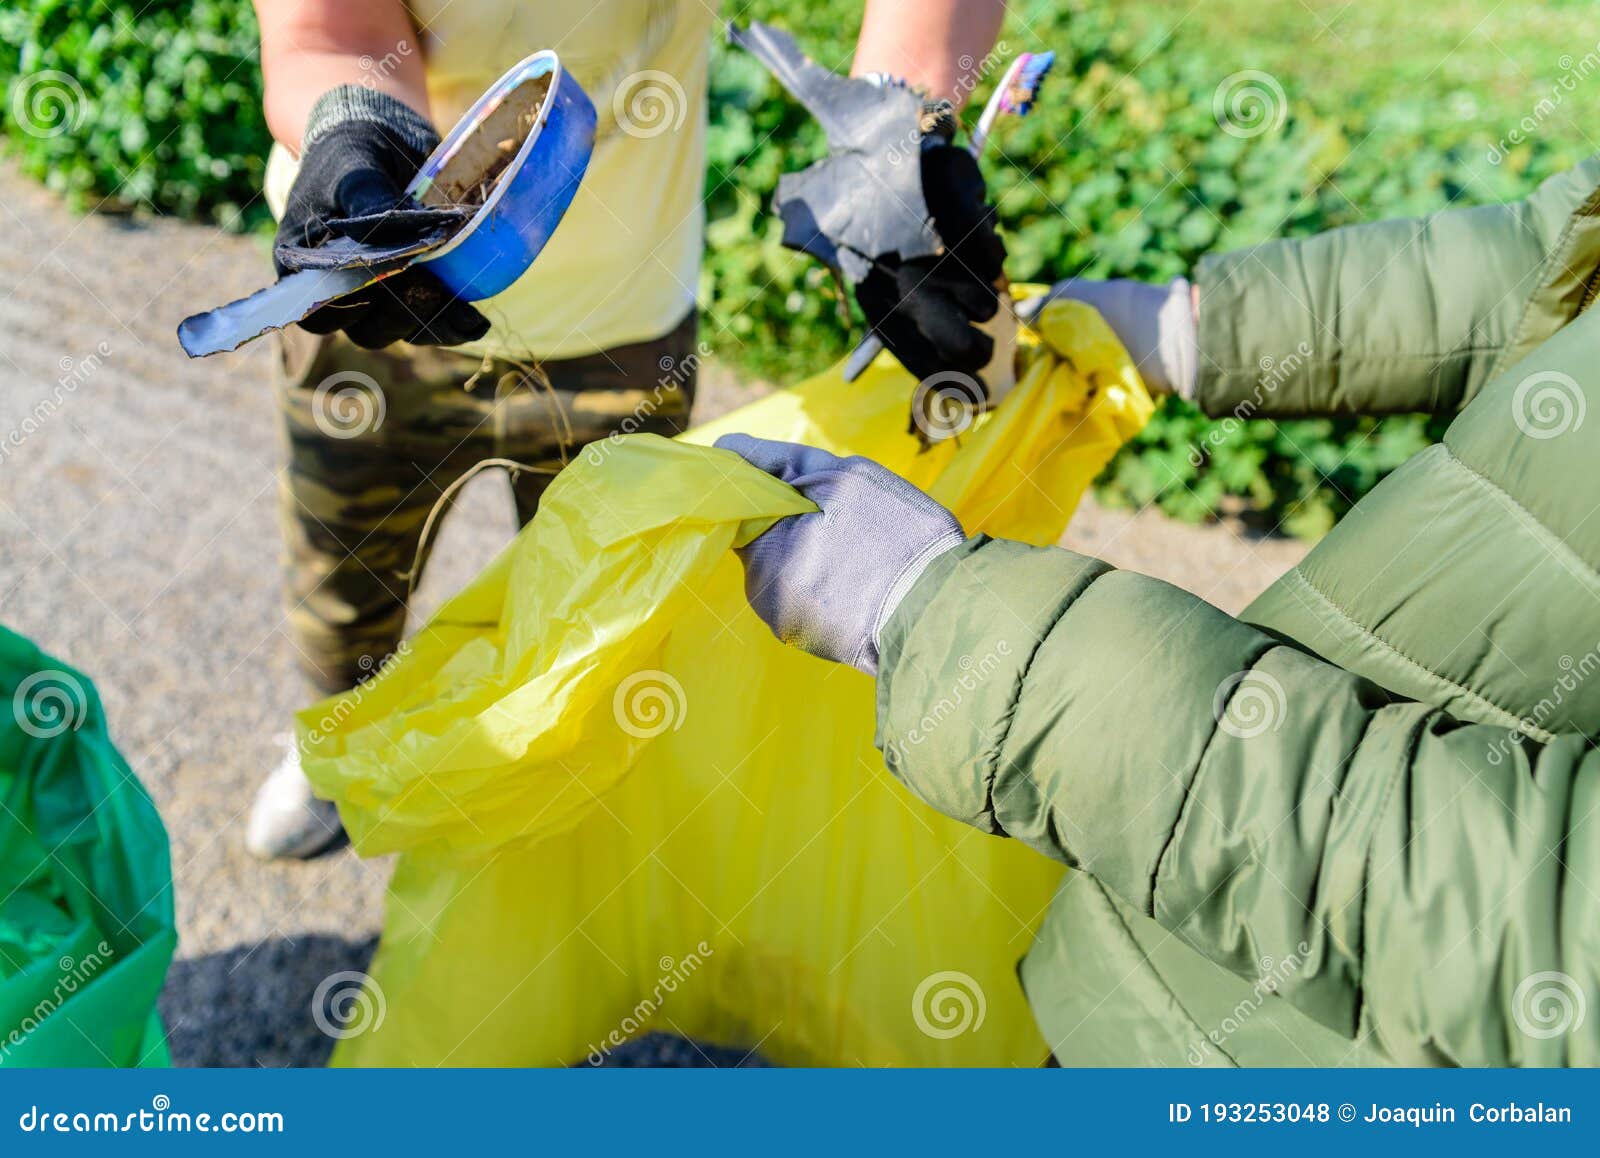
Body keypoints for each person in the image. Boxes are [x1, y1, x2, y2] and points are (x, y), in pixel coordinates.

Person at [715, 152, 1600, 1065]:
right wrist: (1185, 331)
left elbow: (1534, 927)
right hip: (1175, 940)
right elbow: (1561, 260)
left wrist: (943, 622)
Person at [245, 0, 1008, 858]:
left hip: (627, 329)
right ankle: (334, 755)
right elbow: (325, 33)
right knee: (347, 580)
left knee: (596, 622)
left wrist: (897, 136)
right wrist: (358, 135)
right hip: (374, 306)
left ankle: (556, 823)